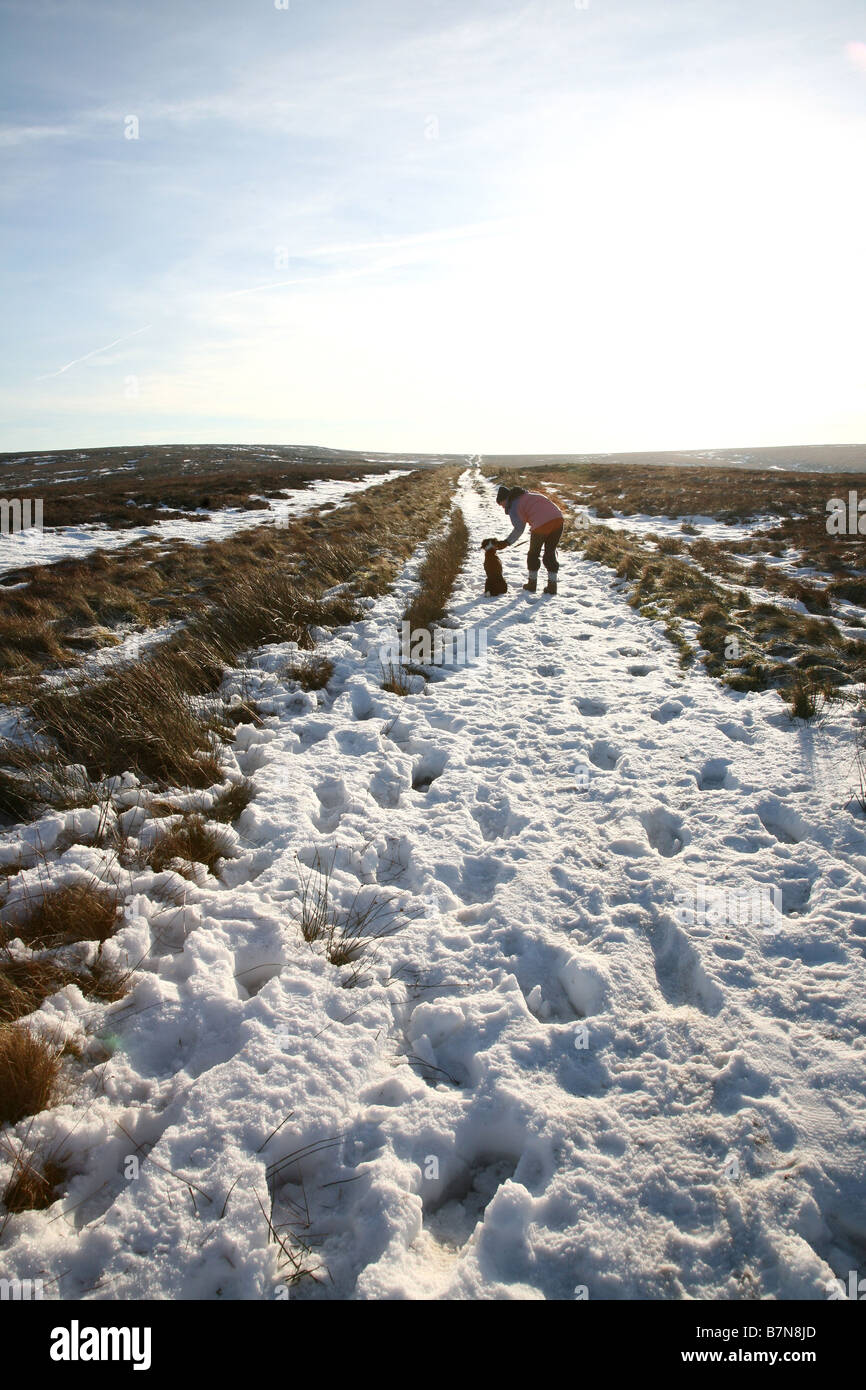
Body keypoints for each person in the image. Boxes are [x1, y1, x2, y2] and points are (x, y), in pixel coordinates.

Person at [494, 485, 564, 594]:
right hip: (558, 519)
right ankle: (552, 586)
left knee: (533, 554)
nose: (503, 507)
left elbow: (519, 529)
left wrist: (507, 542)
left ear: (505, 500)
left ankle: (532, 584)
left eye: (501, 504)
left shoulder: (513, 506)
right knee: (550, 553)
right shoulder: (529, 495)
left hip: (541, 524)